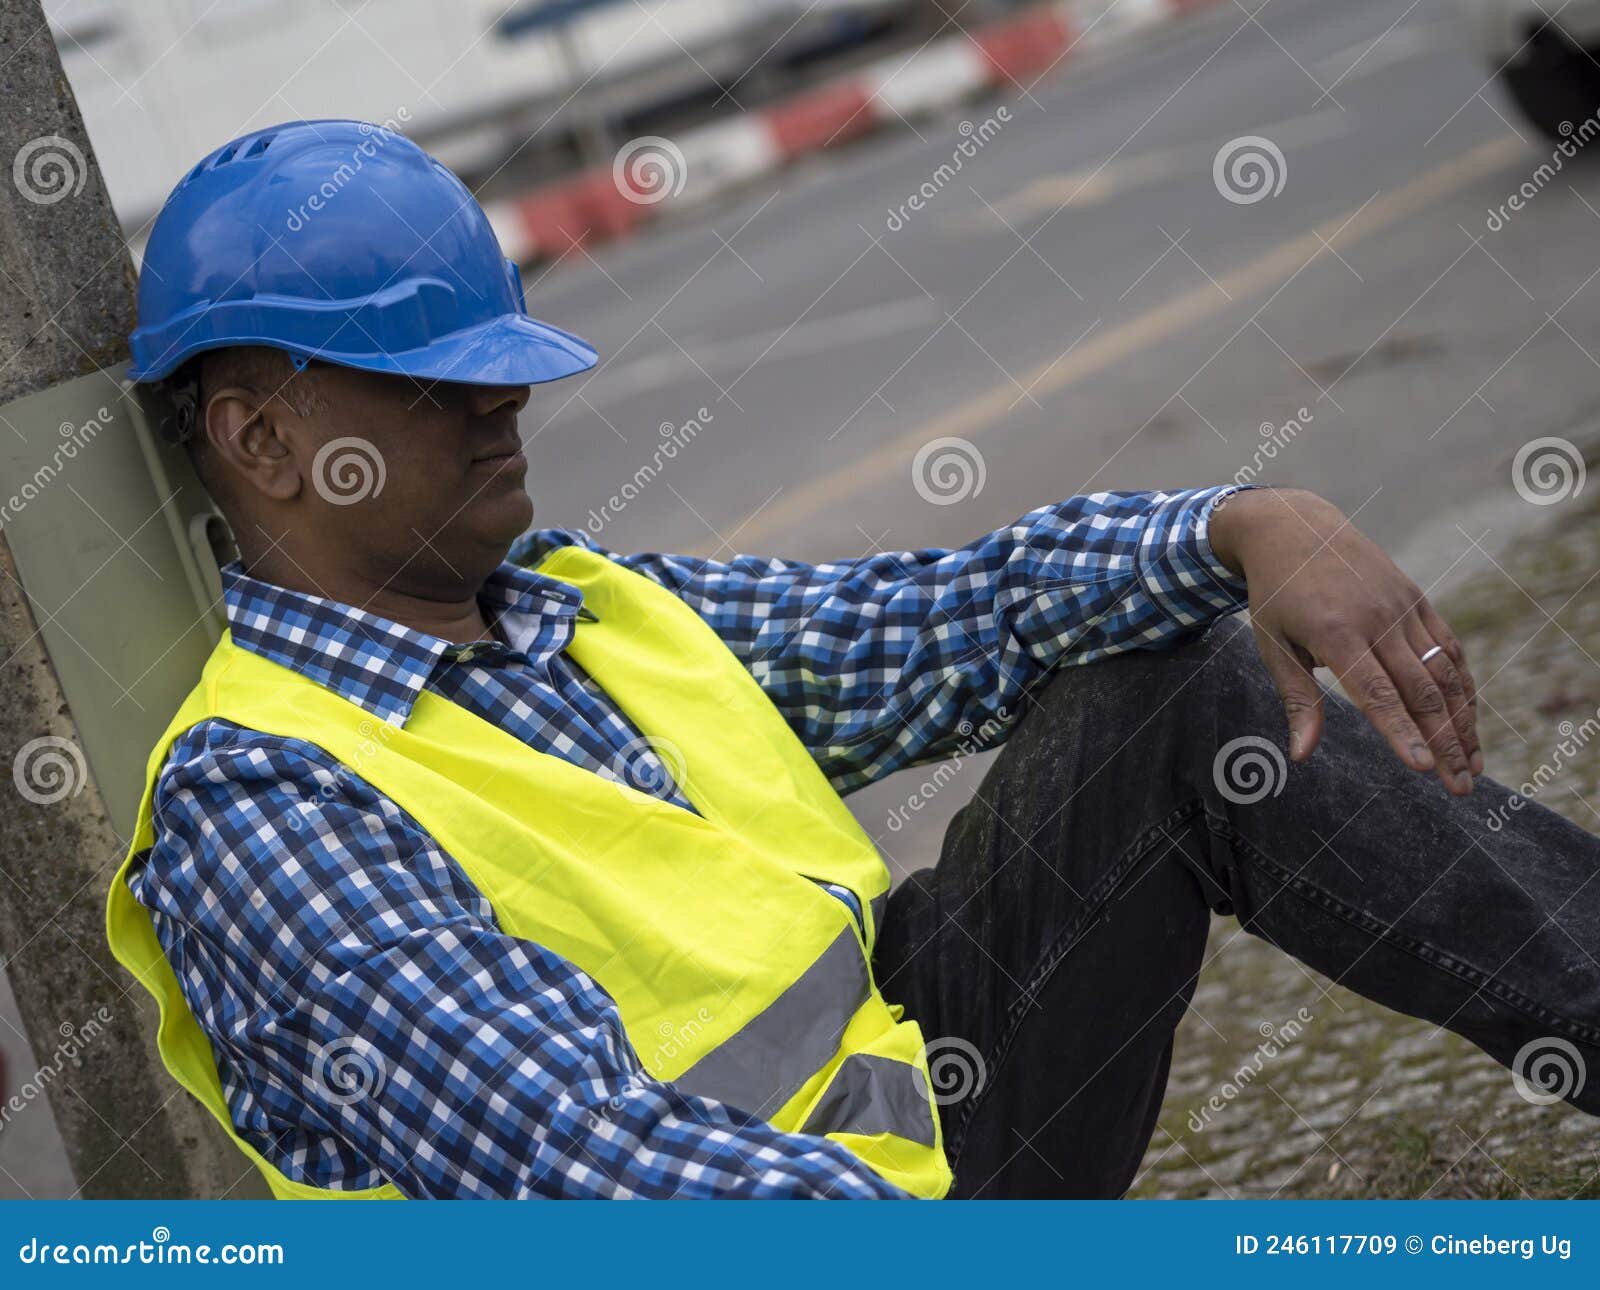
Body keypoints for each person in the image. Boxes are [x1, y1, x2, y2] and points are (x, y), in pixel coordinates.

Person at [107, 120, 1600, 1200]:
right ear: (262, 438)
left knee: (1183, 682)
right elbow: (585, 1171)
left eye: (504, 368)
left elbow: (945, 618)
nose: (503, 409)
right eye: (439, 382)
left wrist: (1236, 526)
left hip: (921, 1118)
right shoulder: (267, 798)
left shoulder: (579, 609)